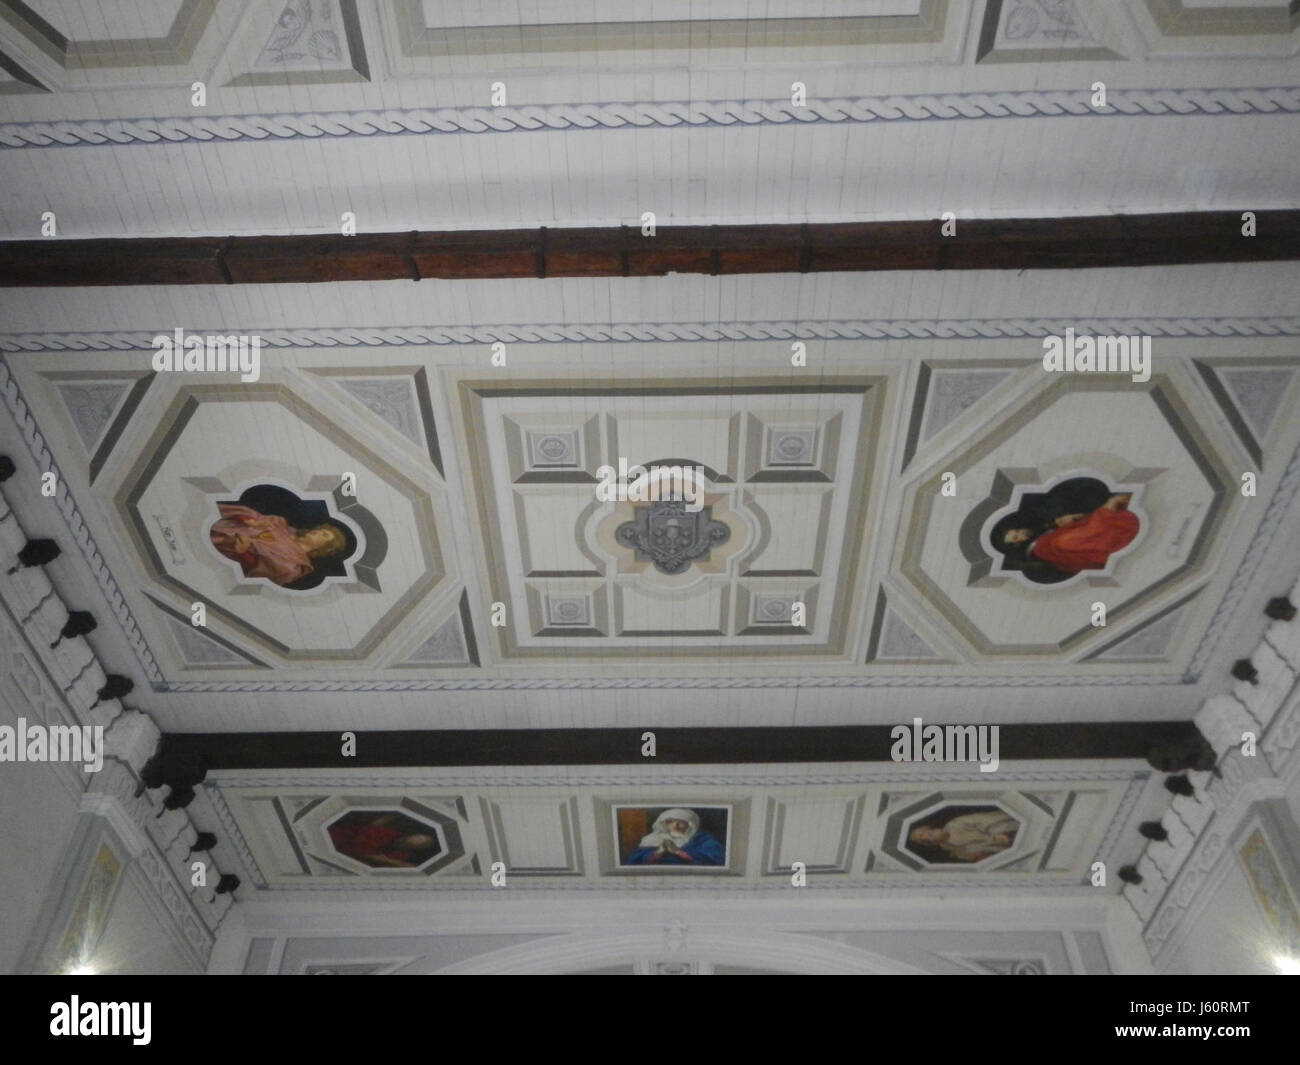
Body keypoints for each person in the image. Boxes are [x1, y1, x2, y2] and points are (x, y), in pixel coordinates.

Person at [1000, 492, 1138, 576]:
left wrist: (1068, 522)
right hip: (1121, 538)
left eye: (1017, 531)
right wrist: (1107, 508)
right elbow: (1090, 534)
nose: (1022, 532)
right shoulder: (1045, 547)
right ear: (1018, 545)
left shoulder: (1045, 541)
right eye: (1017, 537)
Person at [209, 502, 347, 586]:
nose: (318, 532)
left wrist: (243, 552)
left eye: (324, 535)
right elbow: (256, 519)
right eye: (321, 530)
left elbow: (262, 570)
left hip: (226, 552)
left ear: (325, 548)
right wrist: (250, 520)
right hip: (226, 527)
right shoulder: (284, 528)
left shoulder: (295, 565)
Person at [328, 814, 438, 869]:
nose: (416, 838)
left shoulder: (402, 855)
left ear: (419, 847)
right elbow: (366, 832)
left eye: (420, 840)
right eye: (418, 836)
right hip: (347, 838)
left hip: (352, 855)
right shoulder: (392, 833)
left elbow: (374, 858)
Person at [909, 809, 1019, 862]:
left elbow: (983, 820)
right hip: (1003, 849)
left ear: (928, 828)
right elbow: (975, 855)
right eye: (922, 838)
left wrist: (998, 835)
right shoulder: (949, 848)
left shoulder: (955, 824)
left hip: (1006, 831)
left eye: (922, 833)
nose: (926, 836)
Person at [625, 808, 725, 866]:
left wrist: (678, 852)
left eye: (680, 822)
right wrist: (658, 852)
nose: (675, 826)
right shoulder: (651, 839)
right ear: (664, 824)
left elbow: (718, 860)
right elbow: (634, 862)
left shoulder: (702, 838)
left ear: (690, 824)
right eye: (670, 822)